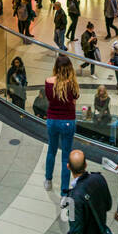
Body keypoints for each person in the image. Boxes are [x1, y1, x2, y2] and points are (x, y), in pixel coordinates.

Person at [43, 54, 79, 207]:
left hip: (52, 120)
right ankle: (64, 192)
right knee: (66, 157)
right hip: (68, 122)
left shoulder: (48, 82)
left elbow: (50, 99)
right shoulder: (72, 84)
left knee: (51, 150)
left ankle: (48, 180)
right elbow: (75, 99)